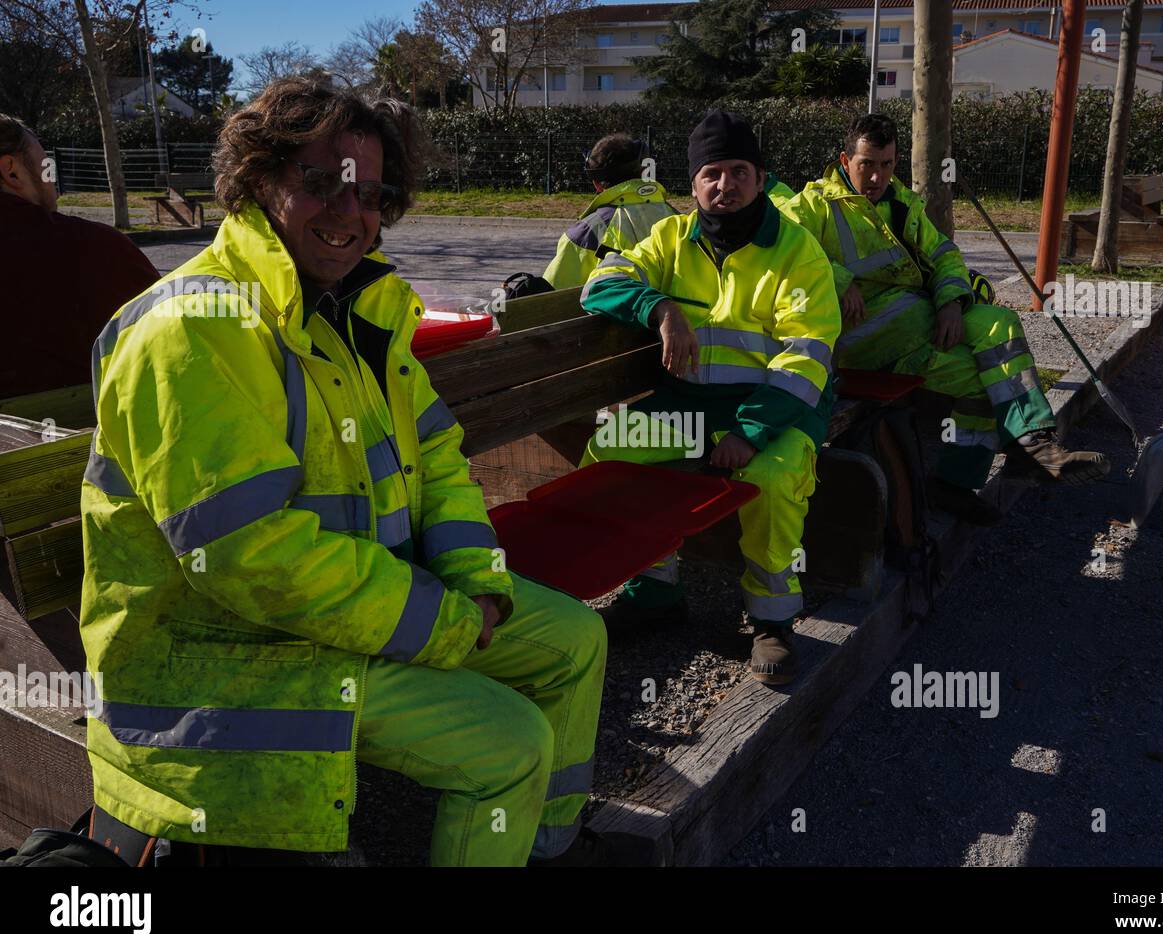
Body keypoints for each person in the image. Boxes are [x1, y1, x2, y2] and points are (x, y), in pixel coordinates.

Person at [79, 79, 614, 867]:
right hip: (228, 654)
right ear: (258, 181)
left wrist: (478, 579)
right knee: (511, 744)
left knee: (577, 637)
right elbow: (250, 557)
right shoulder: (194, 328)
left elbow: (437, 457)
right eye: (319, 182)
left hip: (353, 611)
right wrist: (443, 623)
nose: (347, 211)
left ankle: (550, 846)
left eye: (370, 193)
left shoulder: (351, 311)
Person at [579, 111, 840, 685]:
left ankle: (772, 621)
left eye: (739, 172)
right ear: (693, 184)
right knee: (609, 456)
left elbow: (807, 357)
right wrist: (661, 309)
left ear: (760, 176)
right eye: (712, 174)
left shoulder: (797, 251)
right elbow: (600, 283)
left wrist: (749, 432)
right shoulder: (669, 238)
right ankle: (653, 590)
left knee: (770, 482)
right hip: (688, 408)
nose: (725, 186)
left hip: (777, 412)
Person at [783, 114, 1109, 525]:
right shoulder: (813, 205)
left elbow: (944, 255)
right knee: (972, 344)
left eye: (886, 164)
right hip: (855, 343)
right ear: (845, 160)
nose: (876, 176)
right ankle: (1028, 451)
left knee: (992, 349)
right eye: (866, 163)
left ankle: (998, 461)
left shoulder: (902, 203)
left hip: (910, 331)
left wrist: (952, 302)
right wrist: (838, 277)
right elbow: (784, 247)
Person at [0, 114, 158, 399]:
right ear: (12, 172)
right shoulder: (96, 249)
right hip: (80, 436)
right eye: (47, 167)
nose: (54, 181)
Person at [542, 133, 676, 290]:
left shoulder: (585, 234)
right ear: (643, 172)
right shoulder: (679, 220)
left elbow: (550, 300)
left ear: (597, 184)